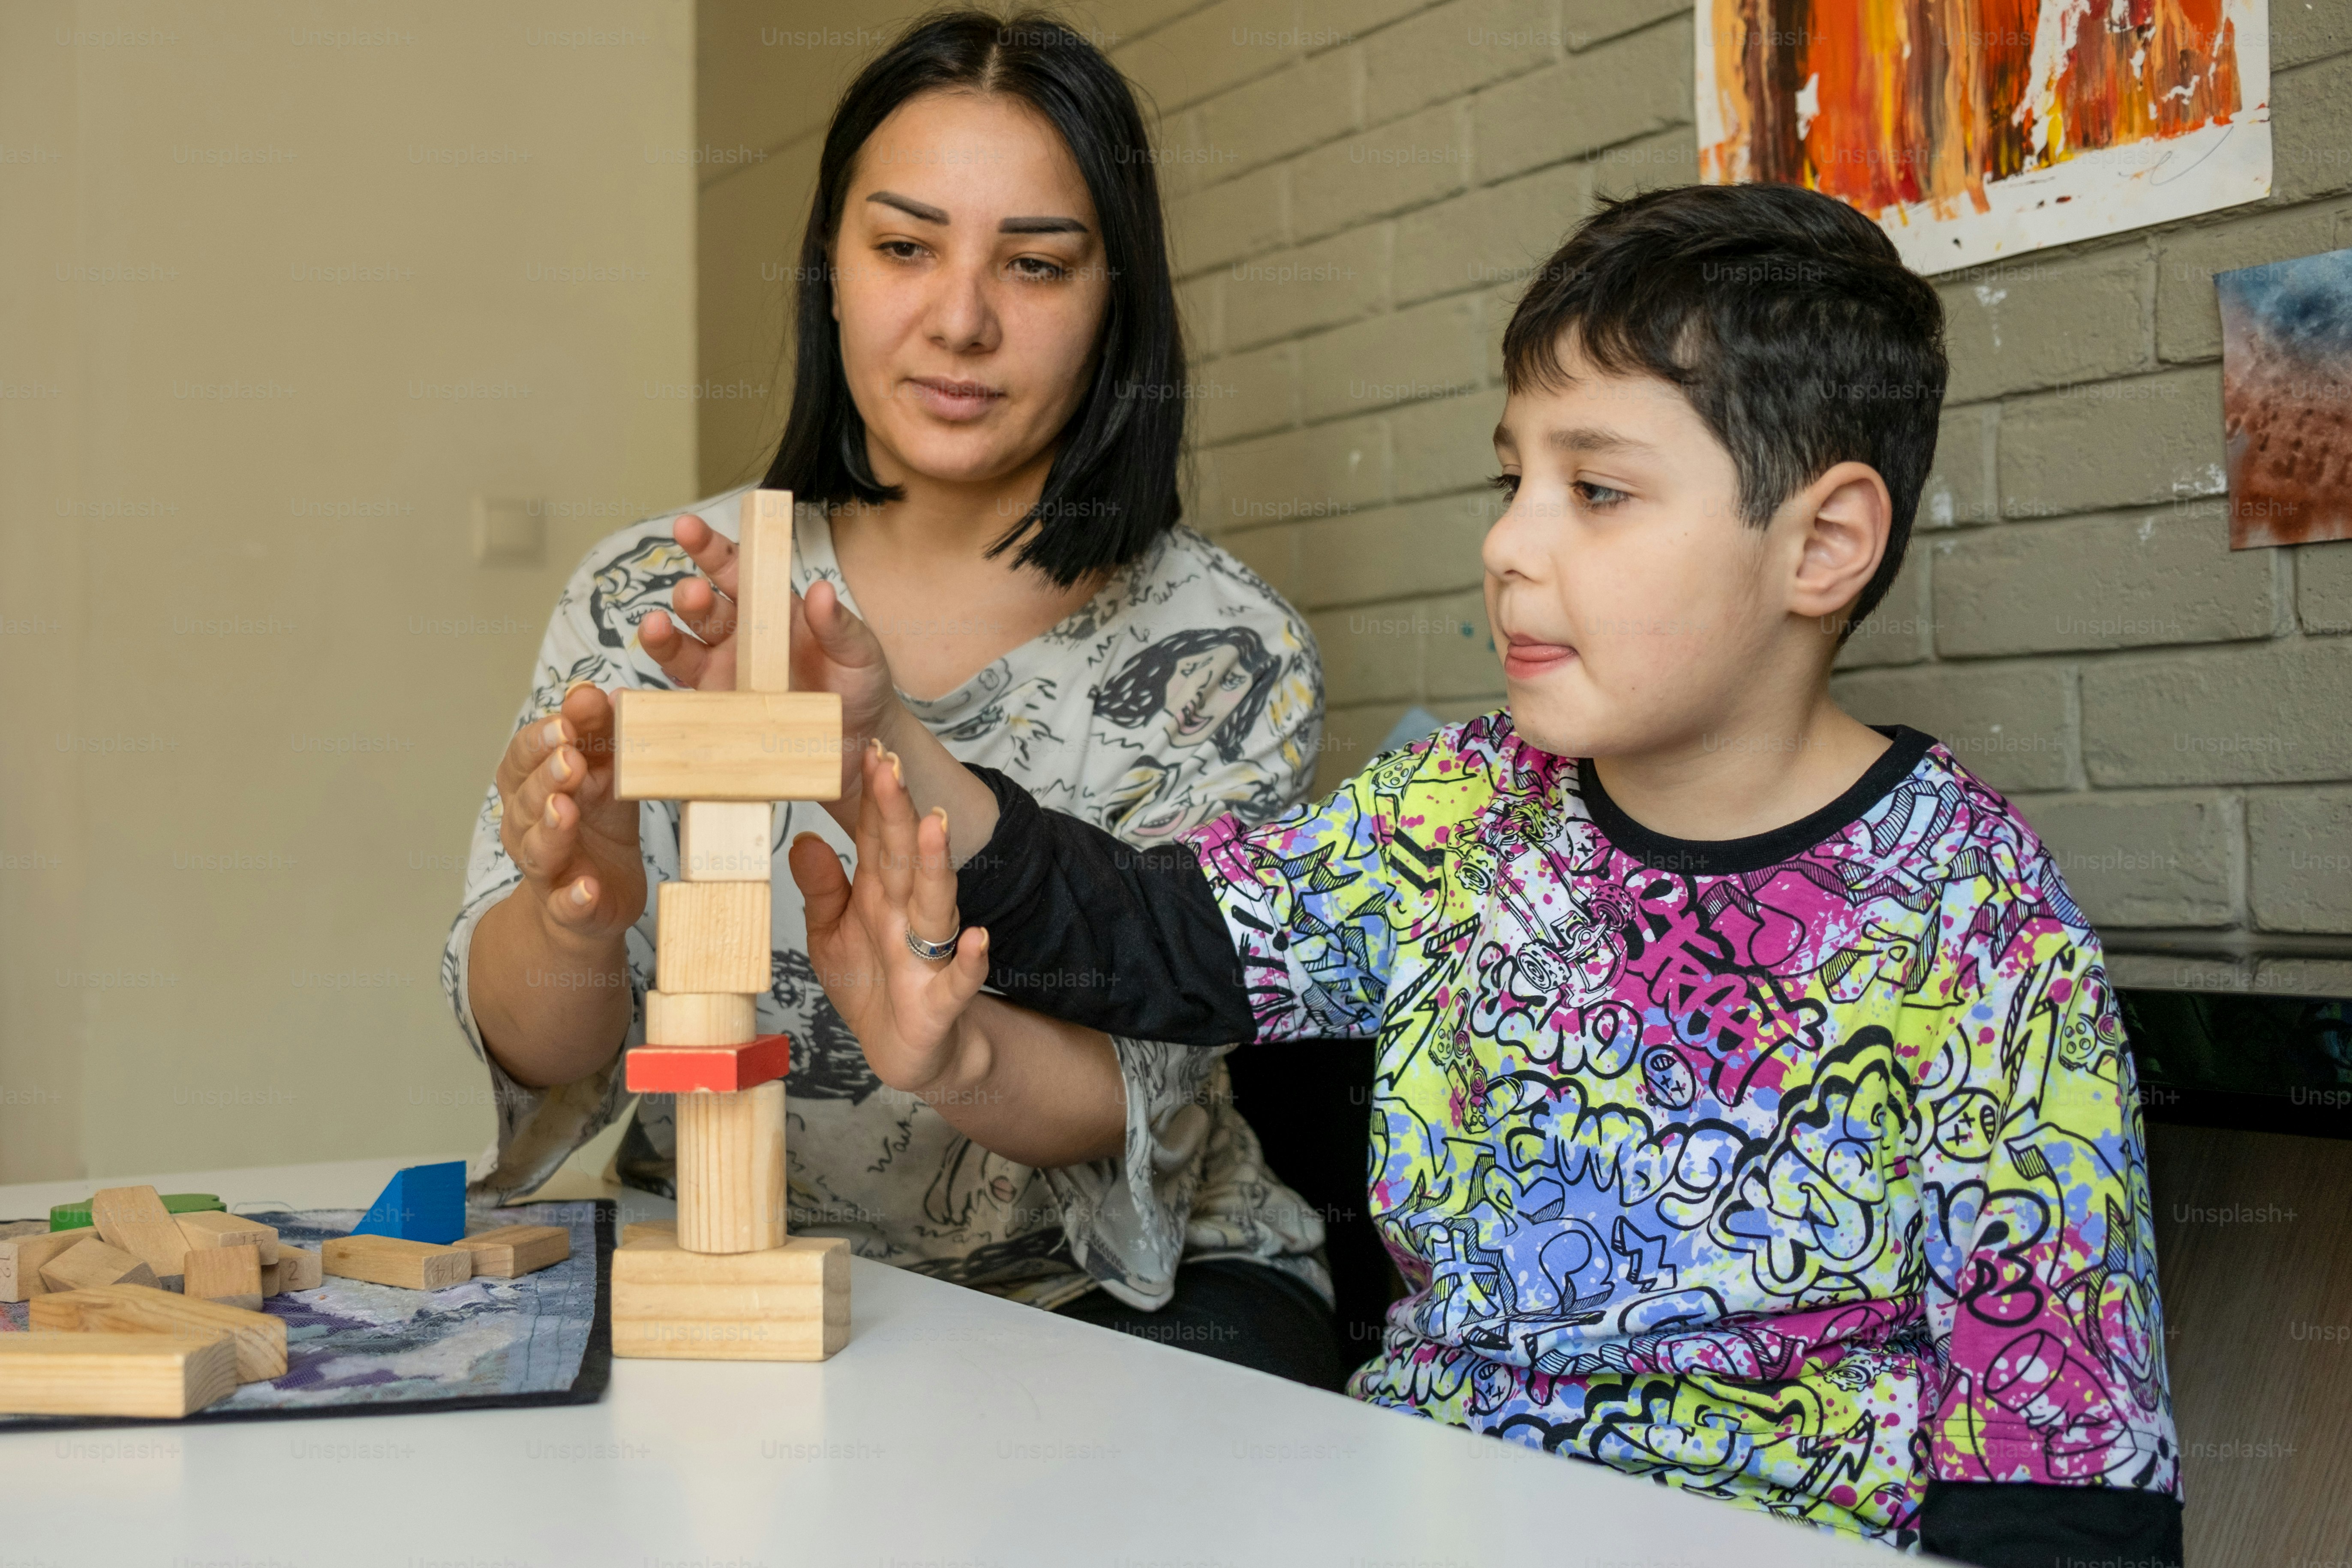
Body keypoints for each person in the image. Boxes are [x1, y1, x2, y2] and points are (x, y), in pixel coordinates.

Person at [783, 184, 2184, 1565]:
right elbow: (1148, 938)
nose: (1510, 542)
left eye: (1597, 490)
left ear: (1821, 543)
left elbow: (2065, 1472)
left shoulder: (1979, 912)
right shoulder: (1461, 807)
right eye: (1511, 478)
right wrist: (887, 730)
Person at [442, 11, 1345, 1387]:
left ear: (1117, 298)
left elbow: (1138, 1094)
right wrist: (579, 904)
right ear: (830, 272)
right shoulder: (659, 595)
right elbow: (546, 1049)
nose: (962, 318)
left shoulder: (1224, 645)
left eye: (1035, 264)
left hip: (1106, 1293)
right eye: (905, 246)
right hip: (721, 1263)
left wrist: (956, 1047)